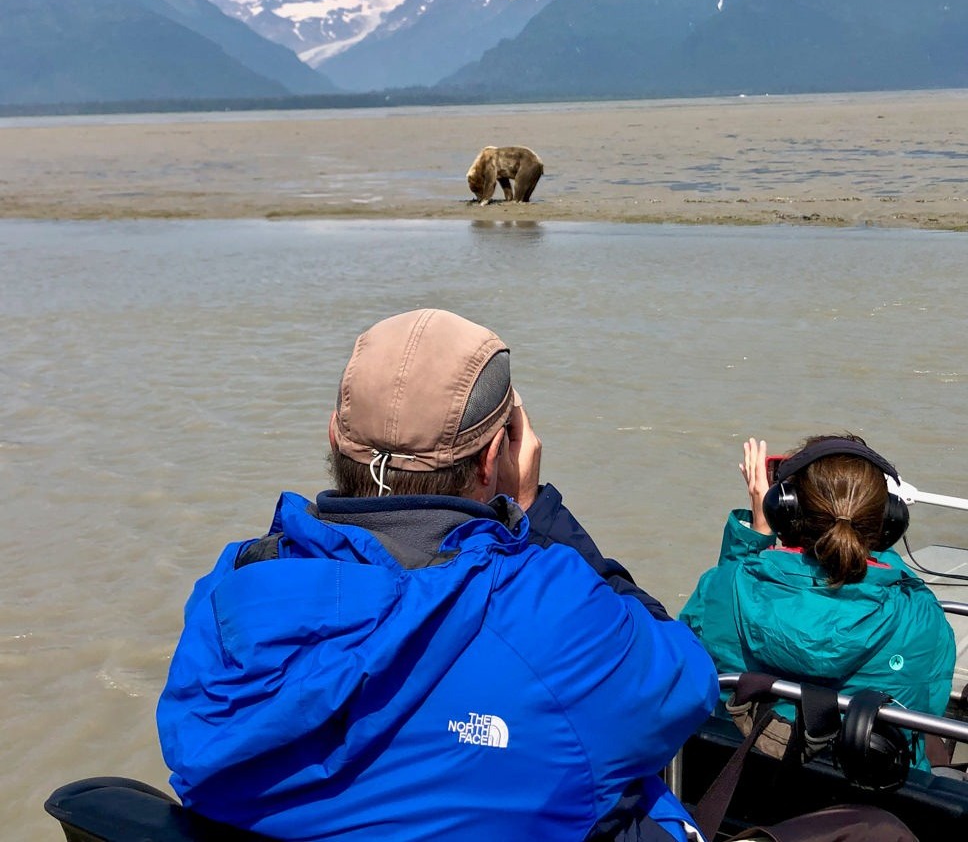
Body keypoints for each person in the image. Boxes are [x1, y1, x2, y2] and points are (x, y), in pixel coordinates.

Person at [157, 308, 718, 841]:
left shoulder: (233, 591)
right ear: (494, 454)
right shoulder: (550, 610)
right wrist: (536, 512)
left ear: (333, 434)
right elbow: (689, 682)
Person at [679, 433, 955, 770]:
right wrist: (870, 541)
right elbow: (930, 707)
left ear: (785, 509)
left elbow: (697, 655)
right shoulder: (922, 617)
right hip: (872, 807)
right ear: (888, 523)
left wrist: (755, 535)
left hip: (740, 792)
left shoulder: (720, 588)